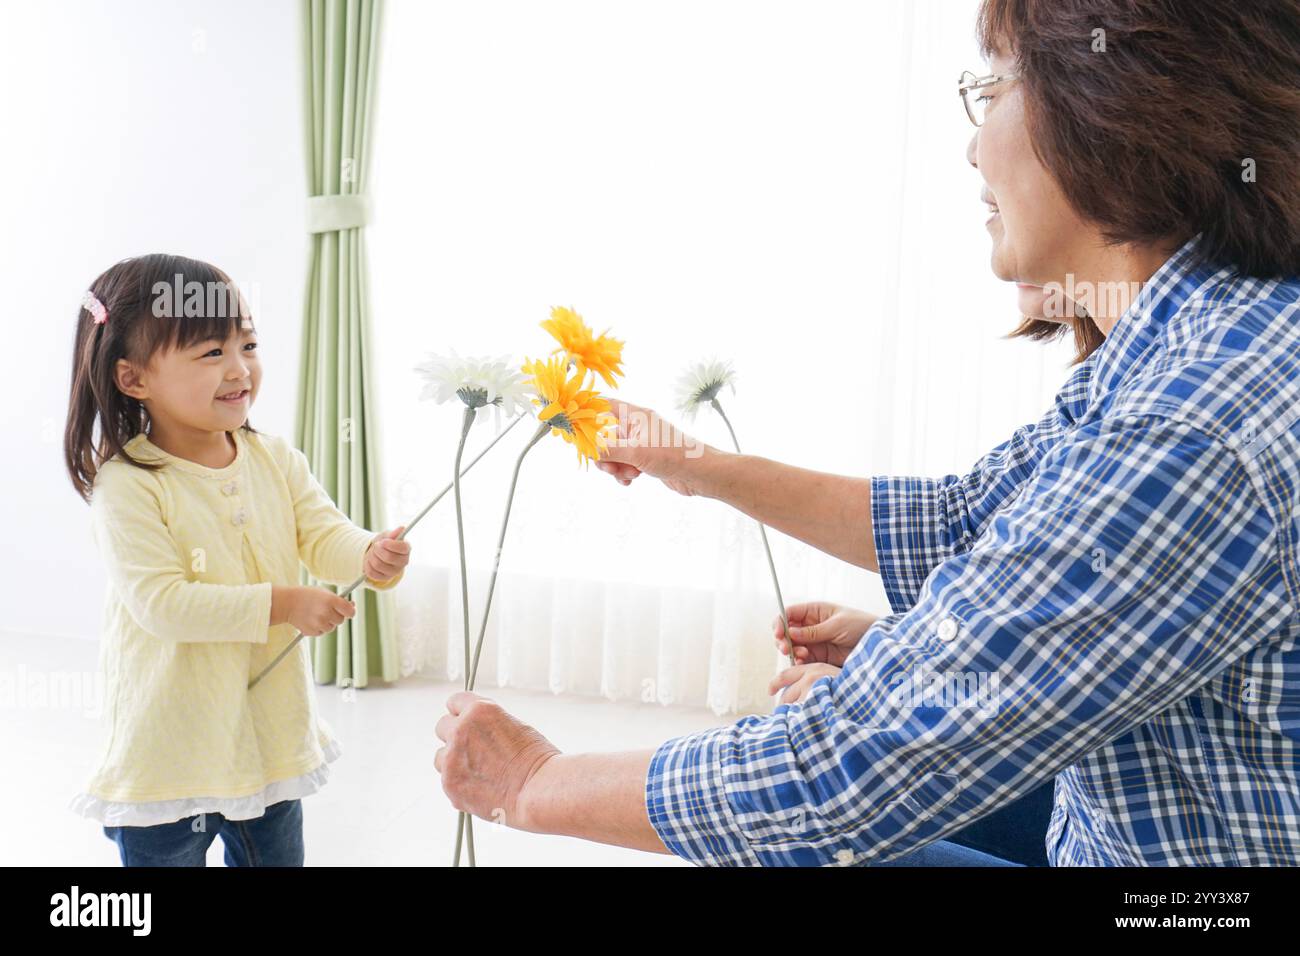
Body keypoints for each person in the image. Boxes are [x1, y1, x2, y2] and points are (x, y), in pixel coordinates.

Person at [435, 0, 1300, 865]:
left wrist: (534, 783)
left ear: (1107, 106)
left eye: (993, 89)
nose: (971, 145)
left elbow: (845, 773)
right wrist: (694, 466)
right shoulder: (1203, 338)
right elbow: (968, 520)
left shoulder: (1193, 421)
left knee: (803, 828)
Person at [64, 253, 411, 866]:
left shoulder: (275, 458)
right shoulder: (130, 484)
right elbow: (163, 605)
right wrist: (285, 603)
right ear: (133, 379)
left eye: (247, 343)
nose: (239, 368)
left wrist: (369, 553)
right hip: (169, 750)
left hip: (266, 736)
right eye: (210, 352)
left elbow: (323, 535)